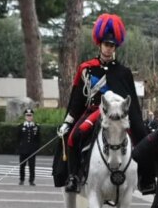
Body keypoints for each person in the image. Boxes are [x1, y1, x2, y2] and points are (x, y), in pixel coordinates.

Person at [58, 13, 151, 194]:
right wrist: (67, 122)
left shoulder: (123, 72)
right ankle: (73, 177)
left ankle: (145, 179)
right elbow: (77, 99)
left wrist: (136, 120)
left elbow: (130, 99)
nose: (109, 49)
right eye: (106, 45)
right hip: (95, 112)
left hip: (118, 113)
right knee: (73, 137)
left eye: (112, 46)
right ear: (99, 44)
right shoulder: (87, 69)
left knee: (142, 135)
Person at [17, 108, 40, 185]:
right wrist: (19, 148)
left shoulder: (36, 127)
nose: (29, 117)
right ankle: (21, 179)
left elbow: (38, 139)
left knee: (32, 166)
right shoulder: (21, 126)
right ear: (25, 117)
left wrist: (36, 149)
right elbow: (18, 138)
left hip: (32, 150)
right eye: (27, 115)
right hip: (23, 150)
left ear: (32, 116)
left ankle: (31, 180)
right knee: (22, 165)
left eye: (30, 115)